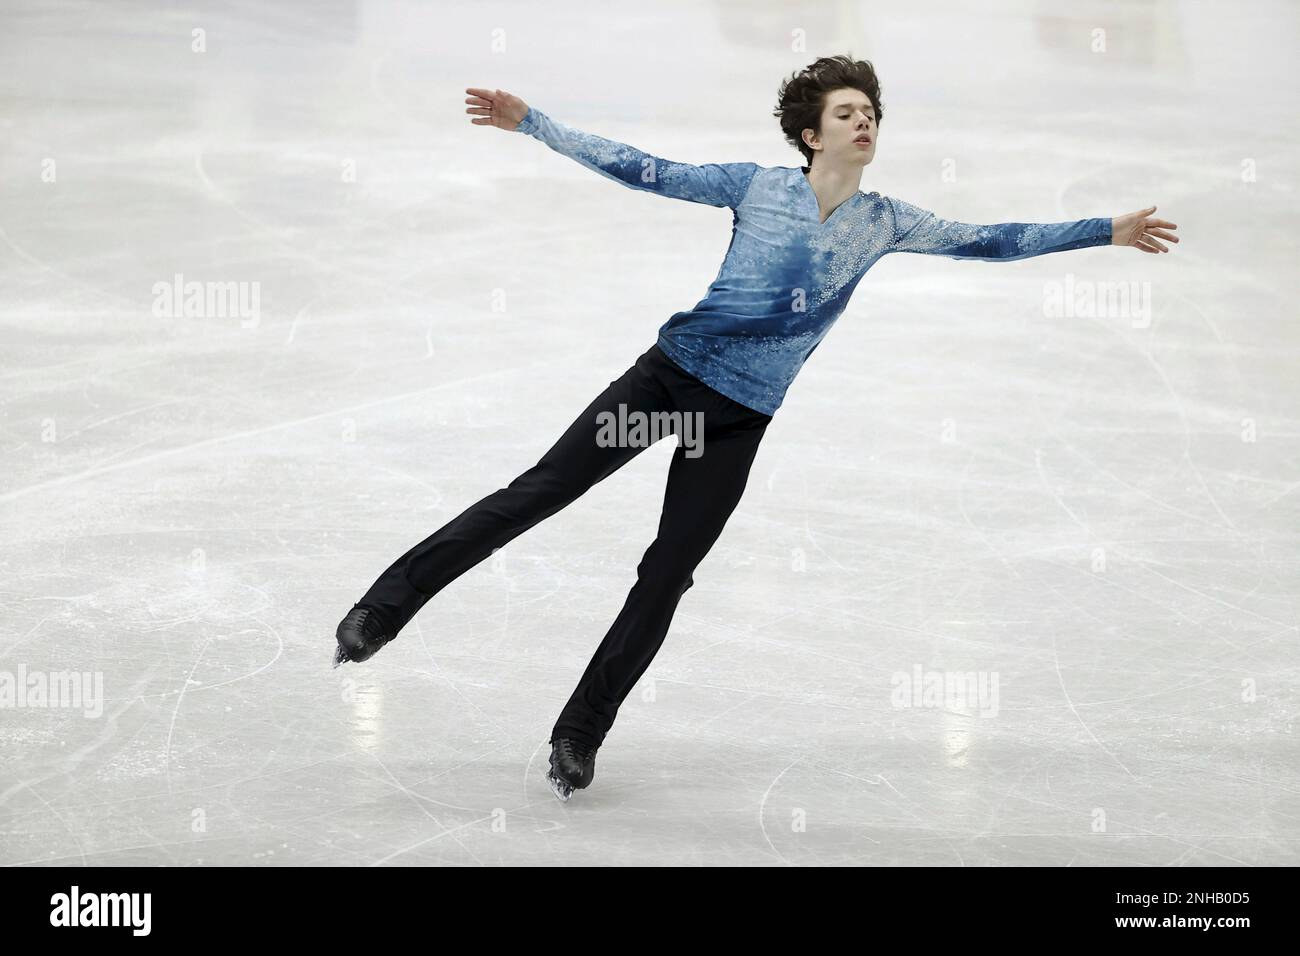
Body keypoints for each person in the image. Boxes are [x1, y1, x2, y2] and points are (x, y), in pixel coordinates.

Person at [334, 55, 1178, 802]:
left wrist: (1104, 230)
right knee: (539, 494)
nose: (866, 121)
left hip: (735, 423)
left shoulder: (886, 221)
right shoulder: (756, 186)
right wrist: (536, 126)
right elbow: (644, 169)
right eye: (848, 112)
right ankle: (383, 607)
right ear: (811, 134)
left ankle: (578, 733)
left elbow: (993, 239)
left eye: (872, 113)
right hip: (665, 384)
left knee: (666, 575)